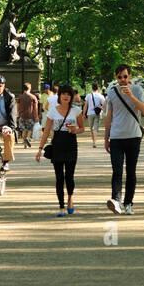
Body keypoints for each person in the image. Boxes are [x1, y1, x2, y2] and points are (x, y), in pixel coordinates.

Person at [104, 63, 144, 215]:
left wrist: (130, 95)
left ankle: (128, 203)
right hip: (116, 137)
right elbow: (109, 116)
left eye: (125, 76)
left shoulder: (137, 90)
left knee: (131, 171)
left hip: (133, 136)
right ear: (116, 78)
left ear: (129, 76)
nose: (122, 80)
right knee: (116, 171)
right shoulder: (112, 92)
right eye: (119, 77)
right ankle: (116, 201)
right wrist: (106, 137)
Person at [37, 82, 84, 214]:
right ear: (59, 96)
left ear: (72, 97)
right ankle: (61, 206)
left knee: (69, 176)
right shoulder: (53, 110)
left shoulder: (76, 111)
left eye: (68, 94)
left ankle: (70, 198)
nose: (66, 96)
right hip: (57, 144)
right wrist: (40, 148)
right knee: (59, 177)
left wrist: (75, 130)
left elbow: (82, 128)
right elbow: (46, 131)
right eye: (63, 94)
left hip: (71, 144)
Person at [82, 82, 106, 148]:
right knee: (95, 128)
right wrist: (101, 107)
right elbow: (105, 103)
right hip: (97, 113)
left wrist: (83, 114)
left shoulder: (88, 95)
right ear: (98, 88)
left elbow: (85, 106)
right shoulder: (100, 96)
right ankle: (94, 142)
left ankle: (93, 141)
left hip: (90, 113)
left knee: (91, 128)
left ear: (92, 88)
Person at [16, 83, 39, 148]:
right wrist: (36, 116)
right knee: (30, 129)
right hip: (30, 116)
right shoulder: (33, 97)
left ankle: (25, 143)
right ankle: (28, 138)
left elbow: (18, 106)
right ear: (30, 88)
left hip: (22, 115)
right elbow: (35, 108)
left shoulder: (20, 97)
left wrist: (18, 113)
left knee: (24, 130)